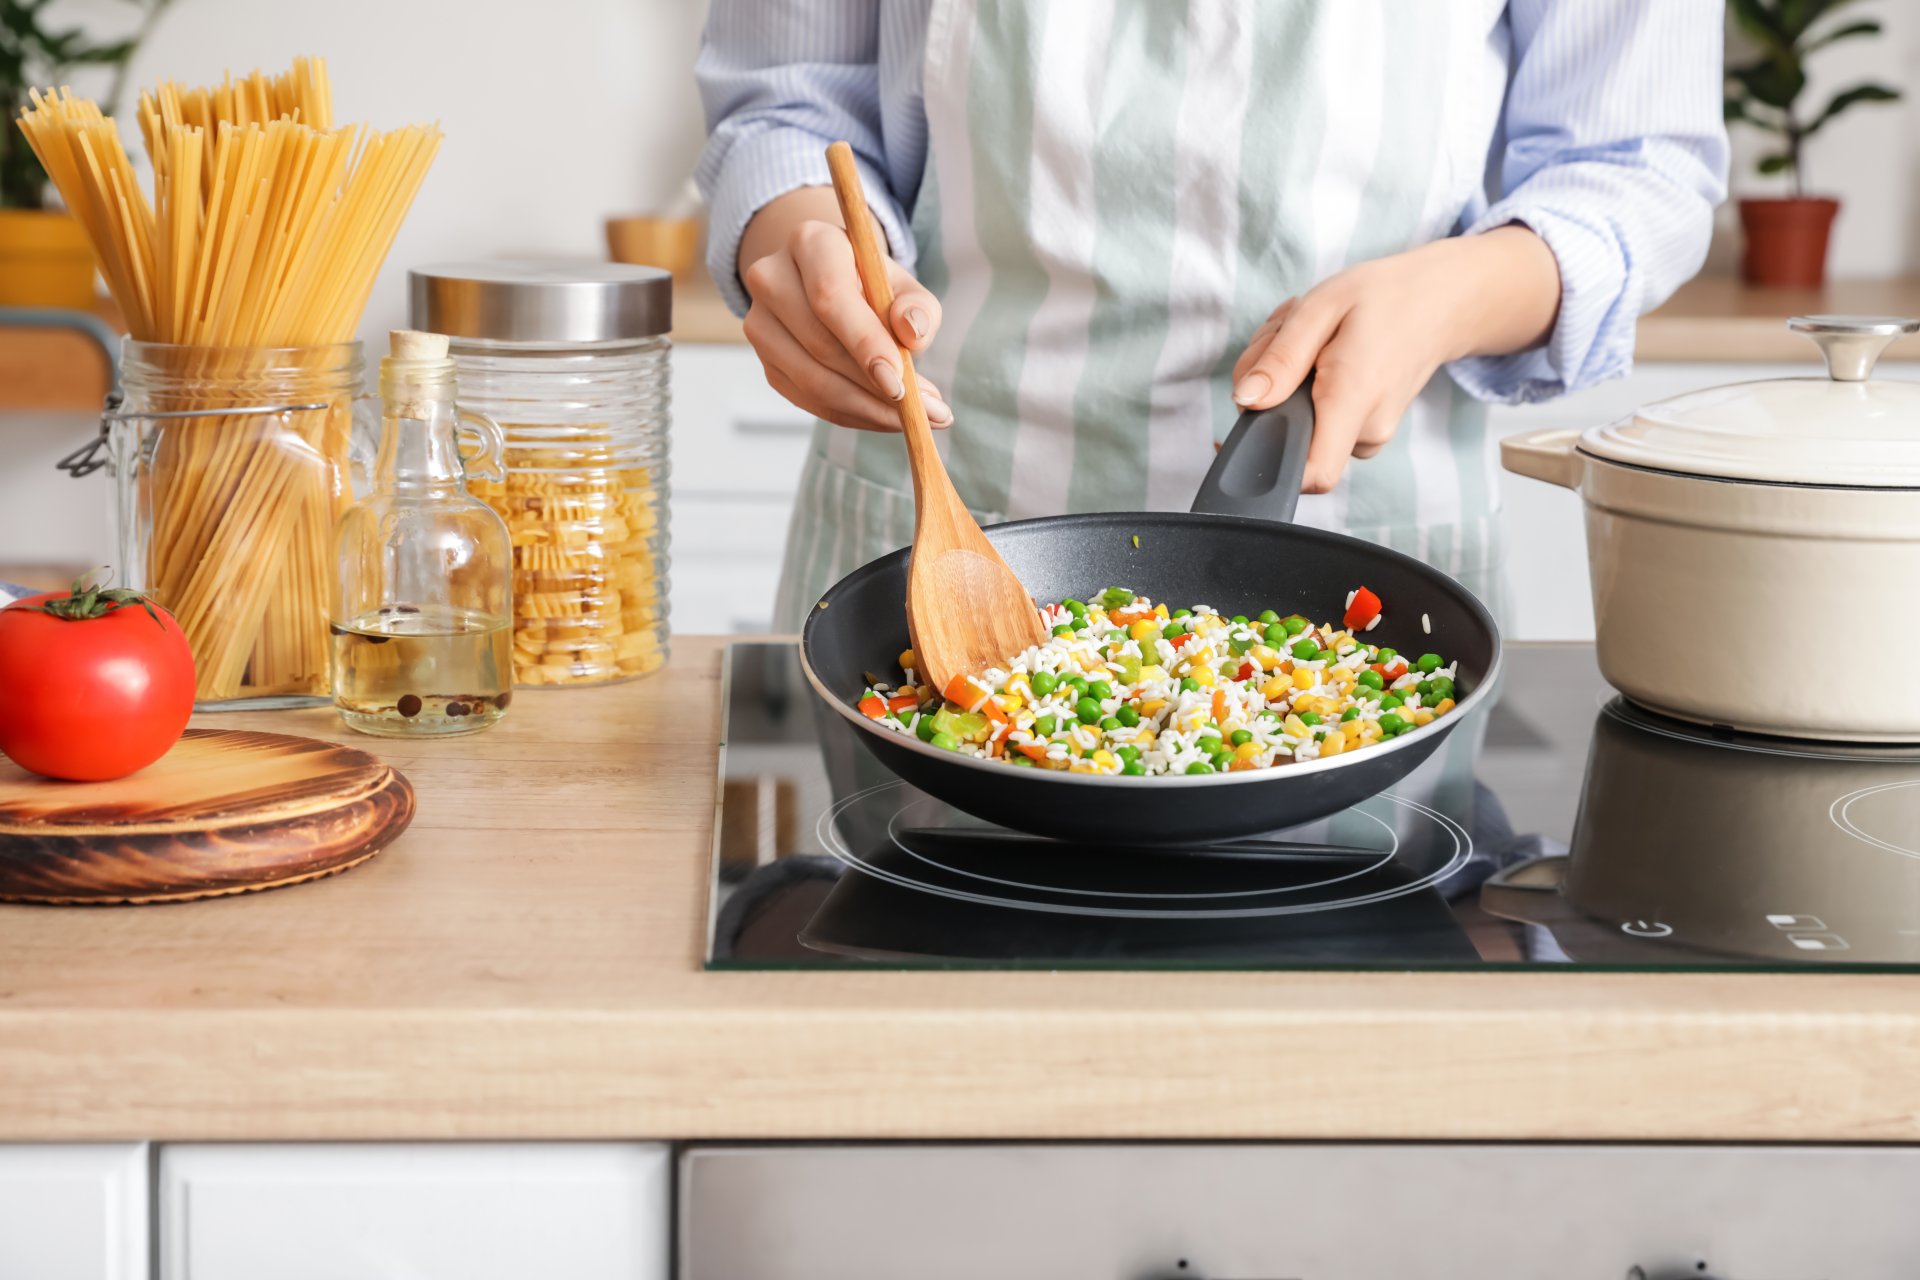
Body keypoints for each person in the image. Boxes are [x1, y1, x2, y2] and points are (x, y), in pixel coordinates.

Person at [696, 1, 1728, 632]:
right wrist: (800, 242)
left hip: (1363, 543)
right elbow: (791, 104)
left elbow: (1636, 166)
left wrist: (1450, 296)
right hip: (947, 525)